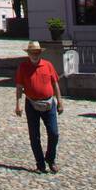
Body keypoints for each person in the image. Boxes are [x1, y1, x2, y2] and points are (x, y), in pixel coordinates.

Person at [15, 41, 64, 174]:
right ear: (28, 54)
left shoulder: (47, 65)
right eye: (32, 53)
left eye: (37, 52)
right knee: (34, 135)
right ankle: (40, 163)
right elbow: (19, 87)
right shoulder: (23, 67)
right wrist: (18, 104)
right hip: (31, 103)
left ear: (40, 53)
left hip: (49, 103)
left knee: (54, 133)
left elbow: (55, 84)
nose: (34, 55)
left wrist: (60, 101)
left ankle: (50, 158)